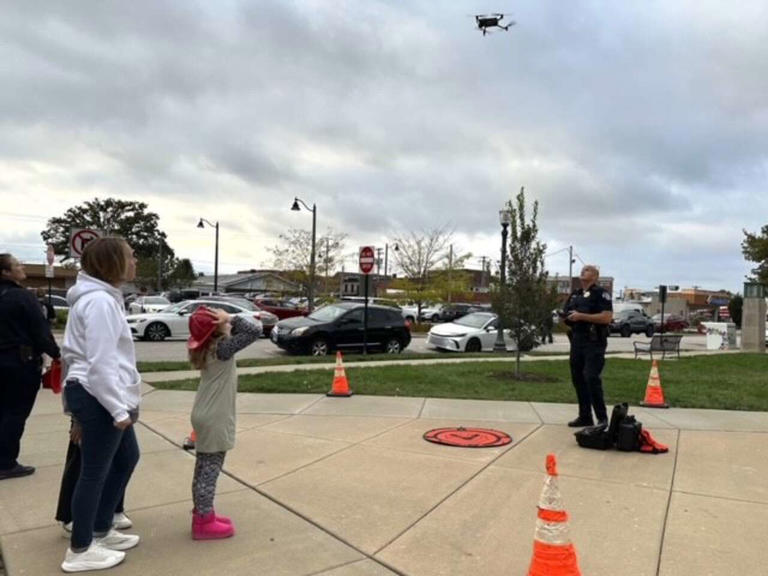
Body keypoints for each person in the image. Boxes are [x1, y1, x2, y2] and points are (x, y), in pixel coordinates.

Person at [60, 237, 142, 573]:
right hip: (99, 395)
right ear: (112, 262)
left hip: (98, 393)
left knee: (126, 458)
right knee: (94, 472)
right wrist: (118, 409)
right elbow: (100, 363)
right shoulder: (99, 303)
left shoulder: (103, 299)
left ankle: (100, 529)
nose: (135, 260)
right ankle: (80, 549)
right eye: (130, 255)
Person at [187, 306, 260, 540]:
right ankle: (203, 523)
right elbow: (254, 331)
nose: (227, 323)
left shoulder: (208, 347)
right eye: (222, 322)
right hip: (215, 416)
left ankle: (203, 514)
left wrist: (224, 321)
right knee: (210, 470)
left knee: (203, 469)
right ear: (216, 329)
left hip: (205, 413)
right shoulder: (222, 349)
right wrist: (232, 317)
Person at [0, 254, 61, 480]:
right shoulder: (22, 297)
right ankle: (5, 463)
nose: (22, 267)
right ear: (6, 272)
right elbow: (40, 333)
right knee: (15, 413)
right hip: (19, 363)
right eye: (17, 265)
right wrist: (57, 355)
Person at [55, 417, 133, 534]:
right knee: (84, 462)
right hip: (90, 409)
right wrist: (78, 419)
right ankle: (71, 516)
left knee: (123, 457)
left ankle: (110, 510)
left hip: (118, 407)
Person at [563, 265, 613, 428]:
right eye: (583, 269)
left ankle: (602, 418)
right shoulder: (576, 294)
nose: (584, 271)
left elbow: (606, 317)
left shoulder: (601, 293)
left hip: (594, 341)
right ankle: (584, 416)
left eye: (588, 269)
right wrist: (567, 318)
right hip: (577, 340)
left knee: (591, 377)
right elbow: (568, 314)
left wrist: (581, 316)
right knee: (578, 378)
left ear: (596, 276)